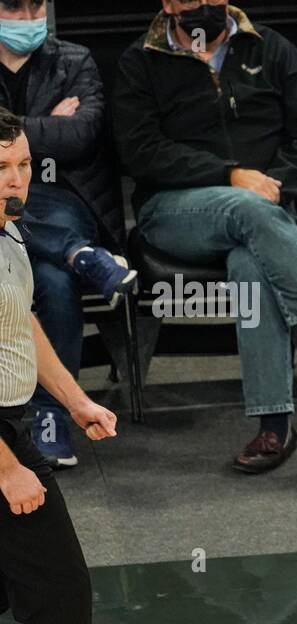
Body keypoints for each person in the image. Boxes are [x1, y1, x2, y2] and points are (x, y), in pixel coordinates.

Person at [114, 1, 297, 473]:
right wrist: (231, 176)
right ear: (167, 4)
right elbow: (142, 152)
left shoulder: (272, 49)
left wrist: (272, 185)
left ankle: (274, 426)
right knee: (249, 213)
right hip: (173, 210)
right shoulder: (139, 61)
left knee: (251, 260)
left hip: (263, 208)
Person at [0, 107, 130, 624]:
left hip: (13, 427)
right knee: (59, 594)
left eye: (22, 165)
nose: (15, 180)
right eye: (1, 169)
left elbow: (17, 324)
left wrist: (74, 400)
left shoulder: (9, 235)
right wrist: (9, 467)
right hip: (2, 447)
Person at [0, 0, 134, 468]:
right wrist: (47, 124)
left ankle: (52, 419)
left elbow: (81, 135)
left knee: (51, 283)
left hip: (63, 196)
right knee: (51, 270)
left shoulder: (73, 59)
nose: (26, 19)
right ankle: (80, 255)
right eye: (13, 9)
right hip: (3, 205)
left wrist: (24, 136)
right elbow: (50, 136)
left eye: (34, 6)